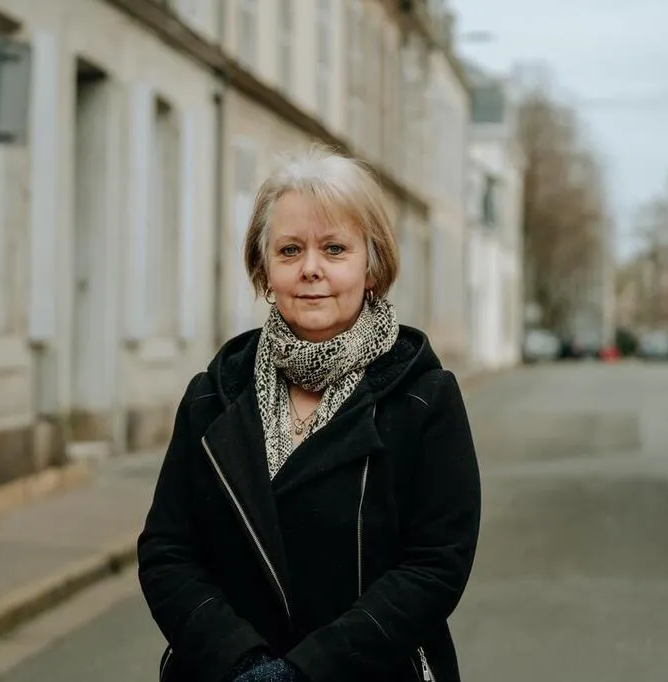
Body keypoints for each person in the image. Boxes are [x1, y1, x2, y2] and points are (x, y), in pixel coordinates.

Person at [138, 146, 481, 682]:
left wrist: (307, 671)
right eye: (290, 250)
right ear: (264, 269)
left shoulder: (425, 398)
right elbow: (167, 552)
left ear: (372, 266)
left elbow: (436, 565)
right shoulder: (212, 396)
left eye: (335, 248)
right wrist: (243, 662)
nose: (311, 269)